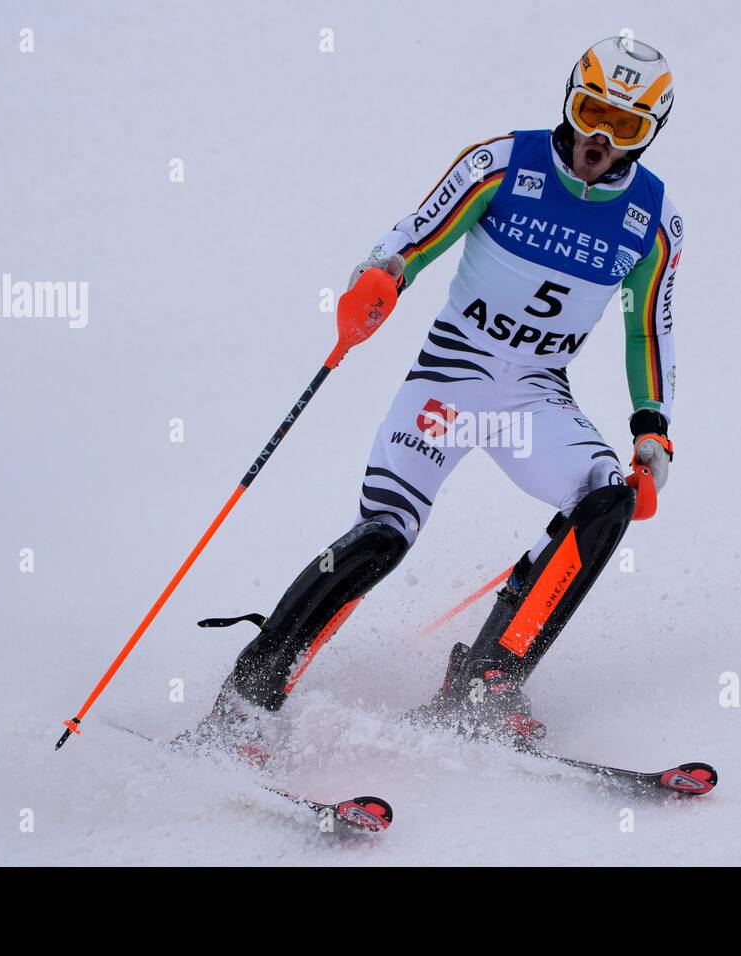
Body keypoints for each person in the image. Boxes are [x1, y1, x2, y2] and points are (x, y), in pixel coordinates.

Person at [196, 36, 683, 753]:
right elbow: (415, 236)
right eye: (589, 113)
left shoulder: (654, 219)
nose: (599, 140)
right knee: (384, 533)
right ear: (568, 101)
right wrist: (380, 276)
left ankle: (488, 680)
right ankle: (244, 706)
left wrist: (652, 429)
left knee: (606, 496)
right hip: (448, 386)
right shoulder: (503, 164)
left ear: (652, 133)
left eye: (627, 128)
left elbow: (647, 331)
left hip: (534, 404)